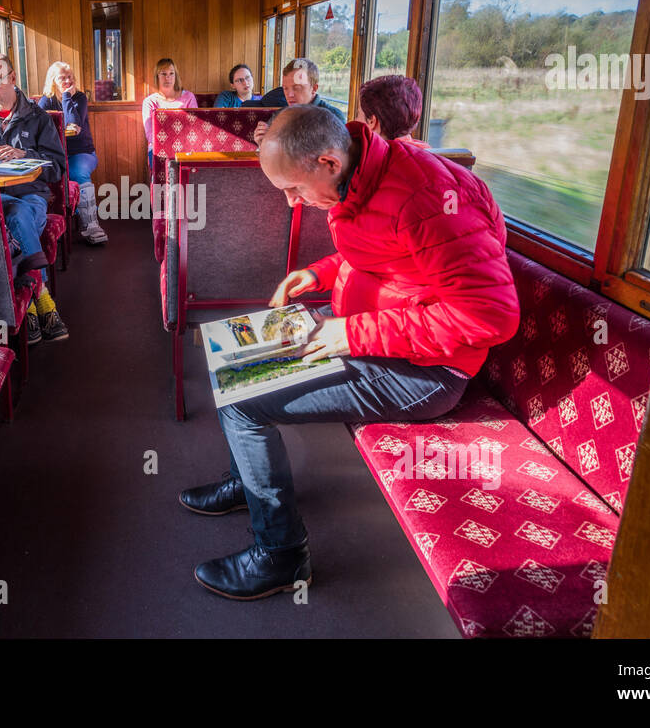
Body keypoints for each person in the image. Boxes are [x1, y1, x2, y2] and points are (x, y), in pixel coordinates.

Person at [180, 105, 519, 600]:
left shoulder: (425, 199)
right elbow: (390, 250)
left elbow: (490, 317)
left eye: (294, 190)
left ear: (328, 163)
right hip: (371, 337)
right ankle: (247, 480)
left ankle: (281, 555)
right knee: (229, 353)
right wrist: (320, 273)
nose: (294, 204)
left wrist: (353, 333)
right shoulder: (365, 173)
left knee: (241, 401)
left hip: (426, 372)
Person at [0, 52, 70, 344]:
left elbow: (57, 167)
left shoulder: (37, 118)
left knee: (18, 214)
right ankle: (40, 296)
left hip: (30, 194)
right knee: (13, 214)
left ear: (12, 78)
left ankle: (27, 308)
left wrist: (25, 155)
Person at [40, 61, 107, 245]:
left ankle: (91, 225)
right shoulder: (46, 101)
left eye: (70, 77)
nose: (67, 80)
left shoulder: (79, 98)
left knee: (77, 172)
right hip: (56, 154)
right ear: (53, 80)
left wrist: (66, 97)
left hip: (82, 152)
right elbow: (37, 128)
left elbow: (74, 125)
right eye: (62, 78)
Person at [253, 58, 344, 144]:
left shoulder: (334, 117)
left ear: (314, 88)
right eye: (285, 89)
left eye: (297, 88)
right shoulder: (279, 115)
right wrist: (263, 143)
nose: (289, 95)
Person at [141, 58, 198, 176]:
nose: (168, 78)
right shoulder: (150, 102)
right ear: (157, 76)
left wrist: (182, 146)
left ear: (176, 76)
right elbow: (150, 135)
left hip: (186, 147)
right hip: (158, 149)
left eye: (171, 73)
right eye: (163, 74)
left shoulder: (188, 97)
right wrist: (169, 147)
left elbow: (195, 126)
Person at [357, 74, 427, 146]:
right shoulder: (424, 150)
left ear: (372, 121)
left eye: (358, 114)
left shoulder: (372, 155)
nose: (355, 120)